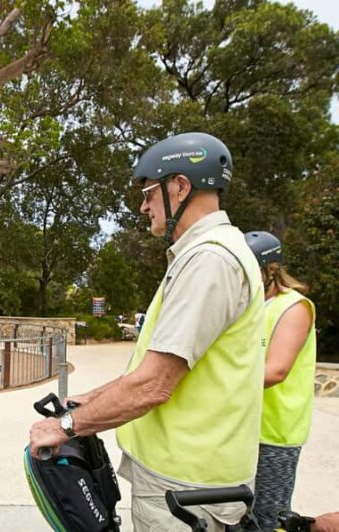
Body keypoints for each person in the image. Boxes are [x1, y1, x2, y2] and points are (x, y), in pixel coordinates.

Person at [29, 132, 266, 531]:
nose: (142, 206)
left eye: (149, 193)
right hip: (187, 475)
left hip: (186, 485)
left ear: (180, 186)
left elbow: (154, 384)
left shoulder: (209, 259)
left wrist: (65, 427)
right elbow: (156, 366)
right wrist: (92, 399)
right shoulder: (206, 253)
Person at [245, 231, 317, 531]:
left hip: (275, 433)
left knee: (267, 518)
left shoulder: (294, 306)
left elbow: (276, 370)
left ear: (271, 270)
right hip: (244, 427)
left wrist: (214, 388)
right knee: (237, 514)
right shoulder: (248, 306)